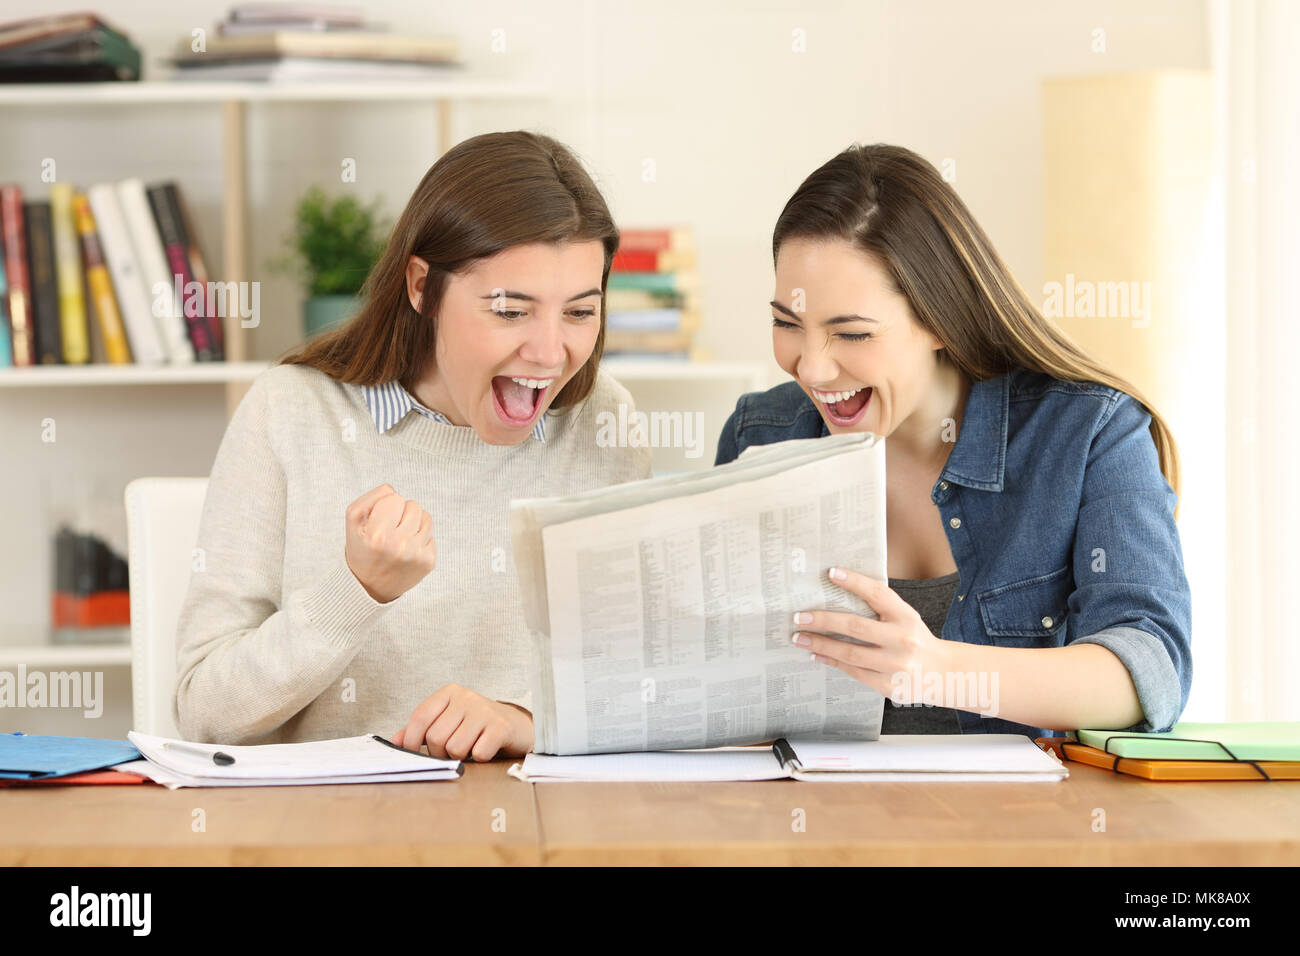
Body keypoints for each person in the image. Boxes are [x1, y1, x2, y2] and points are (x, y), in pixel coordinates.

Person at [174, 131, 652, 759]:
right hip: (322, 835)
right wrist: (356, 591)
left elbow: (637, 684)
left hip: (529, 837)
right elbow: (203, 715)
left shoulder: (603, 423)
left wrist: (525, 720)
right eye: (511, 311)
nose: (549, 351)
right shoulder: (291, 413)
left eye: (579, 313)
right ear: (422, 286)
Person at [715, 143, 1192, 739]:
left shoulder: (1088, 432)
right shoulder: (761, 437)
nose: (810, 369)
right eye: (788, 324)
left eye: (852, 334)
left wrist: (940, 670)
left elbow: (1150, 669)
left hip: (1020, 828)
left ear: (939, 318)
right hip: (814, 824)